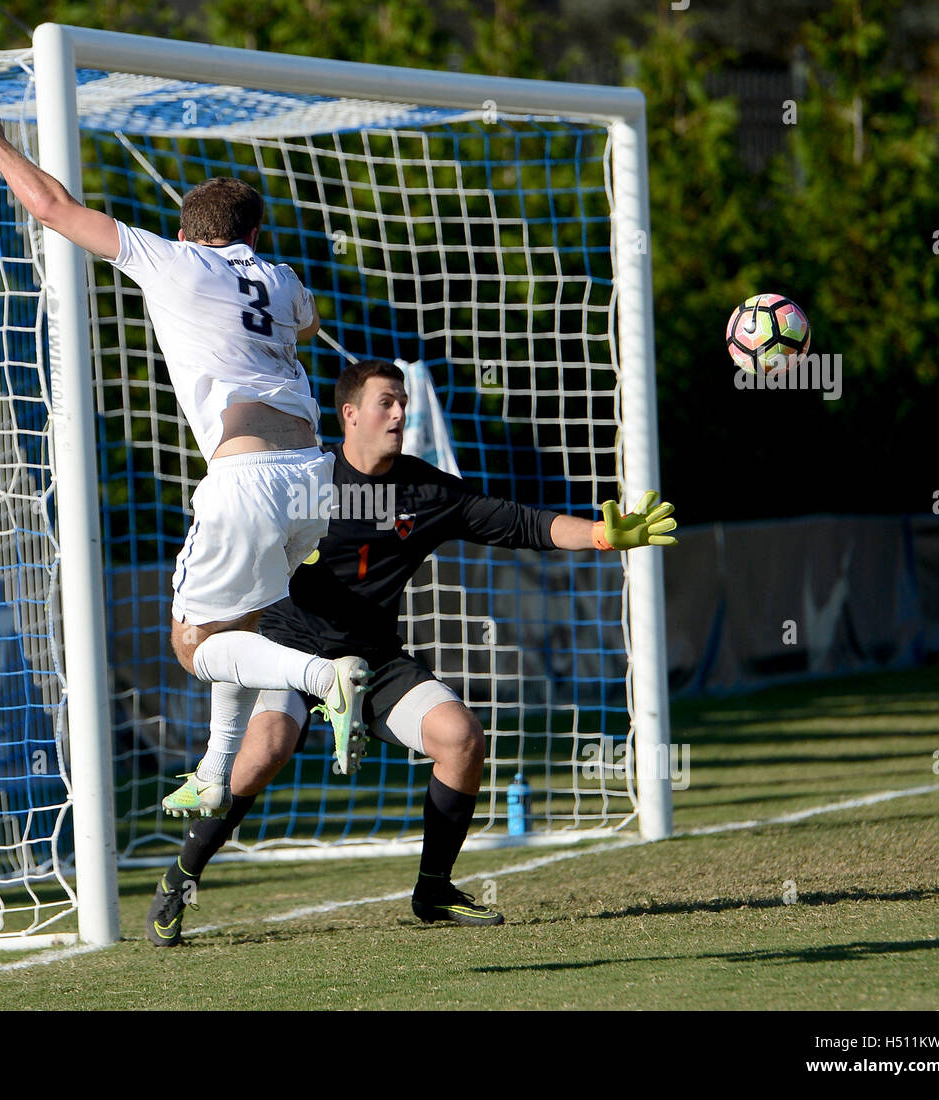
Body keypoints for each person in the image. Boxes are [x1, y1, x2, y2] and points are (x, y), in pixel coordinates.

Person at [145, 358, 678, 944]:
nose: (399, 412)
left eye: (402, 402)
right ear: (349, 415)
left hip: (372, 656)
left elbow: (519, 522)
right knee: (266, 747)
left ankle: (434, 888)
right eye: (385, 402)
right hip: (288, 647)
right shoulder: (299, 481)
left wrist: (603, 535)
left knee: (461, 738)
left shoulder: (424, 490)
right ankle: (180, 880)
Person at [0, 106, 372, 819]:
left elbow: (53, 207)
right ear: (254, 234)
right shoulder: (281, 275)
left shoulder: (173, 260)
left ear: (186, 234)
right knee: (239, 623)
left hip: (247, 482)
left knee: (193, 644)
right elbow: (309, 322)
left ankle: (323, 678)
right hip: (315, 478)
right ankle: (214, 768)